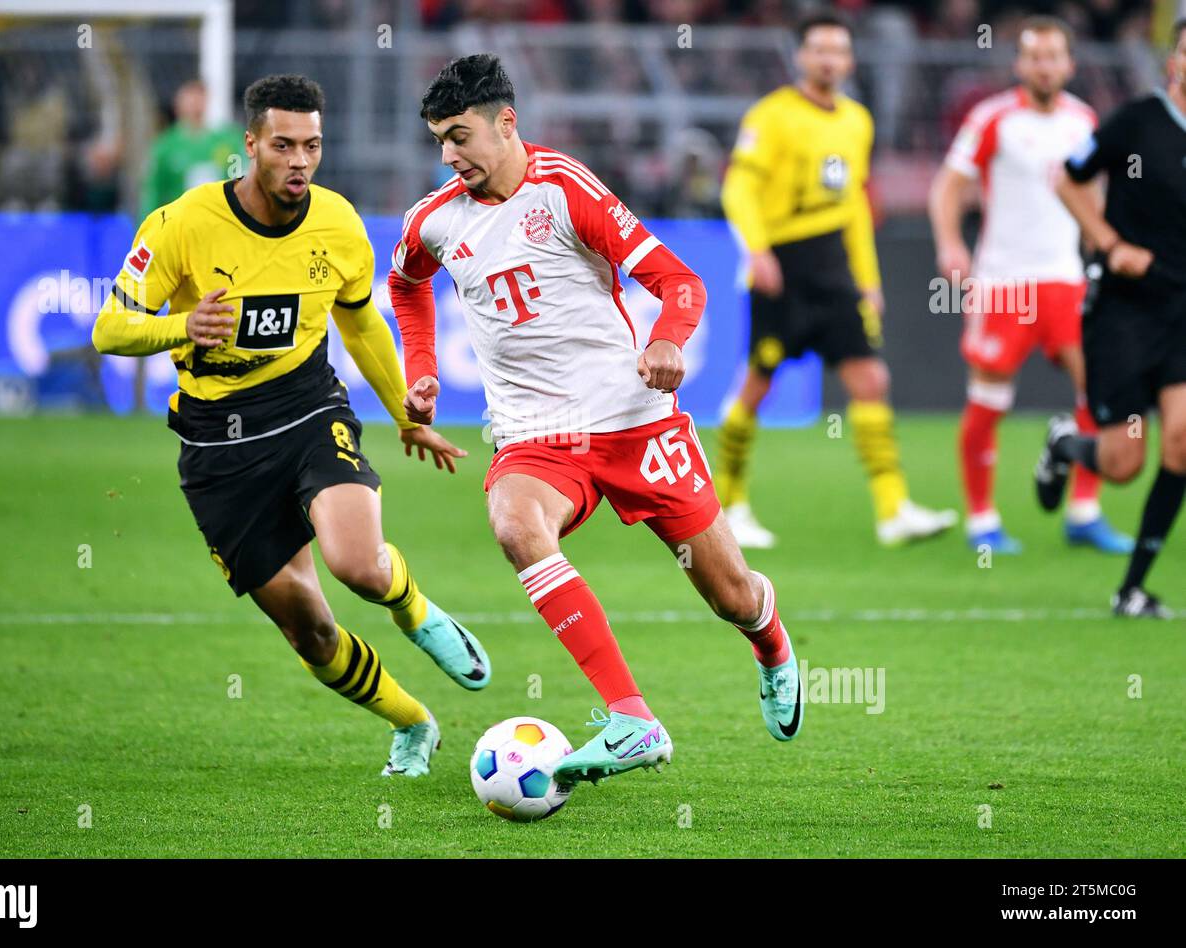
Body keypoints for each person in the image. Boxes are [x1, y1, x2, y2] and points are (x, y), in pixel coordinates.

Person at [388, 54, 804, 786]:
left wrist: (669, 338)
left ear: (506, 124)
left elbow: (678, 281)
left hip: (633, 420)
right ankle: (633, 719)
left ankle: (770, 642)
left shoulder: (566, 190)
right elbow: (404, 283)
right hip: (534, 435)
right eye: (438, 142)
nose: (449, 157)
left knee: (728, 593)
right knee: (516, 525)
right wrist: (420, 367)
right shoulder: (435, 220)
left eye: (459, 137)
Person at [93, 74, 490, 775]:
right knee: (308, 630)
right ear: (250, 145)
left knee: (357, 565)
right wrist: (181, 325)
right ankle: (413, 723)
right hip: (216, 442)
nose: (299, 160)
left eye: (312, 145)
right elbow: (107, 328)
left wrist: (406, 415)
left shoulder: (336, 223)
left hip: (306, 406)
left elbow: (361, 318)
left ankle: (417, 612)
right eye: (283, 145)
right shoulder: (182, 224)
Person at [716, 12, 957, 549]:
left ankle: (894, 510)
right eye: (819, 49)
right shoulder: (771, 116)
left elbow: (853, 208)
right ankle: (729, 506)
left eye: (839, 51)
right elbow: (738, 188)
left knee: (871, 381)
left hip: (834, 270)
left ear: (849, 60)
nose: (829, 59)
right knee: (757, 385)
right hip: (781, 262)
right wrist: (756, 251)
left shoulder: (857, 121)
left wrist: (867, 279)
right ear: (800, 56)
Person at [929, 16, 1134, 555]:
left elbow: (1093, 194)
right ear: (1019, 64)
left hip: (1067, 279)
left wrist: (1105, 248)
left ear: (1069, 63)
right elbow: (948, 185)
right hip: (1005, 284)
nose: (1044, 65)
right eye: (1034, 56)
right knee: (989, 399)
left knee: (1100, 392)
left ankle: (1084, 511)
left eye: (1053, 56)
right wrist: (951, 244)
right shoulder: (992, 117)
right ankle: (982, 520)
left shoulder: (1083, 120)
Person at [1036, 19, 1186, 617]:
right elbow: (1069, 180)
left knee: (1181, 442)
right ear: (1173, 59)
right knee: (1124, 462)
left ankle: (1132, 589)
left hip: (1182, 311)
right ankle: (1065, 444)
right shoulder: (1135, 121)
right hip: (1126, 310)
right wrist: (1107, 241)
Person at [139, 78, 245, 218]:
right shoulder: (165, 146)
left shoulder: (227, 141)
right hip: (179, 223)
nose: (195, 104)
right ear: (178, 102)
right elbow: (154, 192)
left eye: (199, 97)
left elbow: (239, 180)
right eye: (190, 98)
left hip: (217, 221)